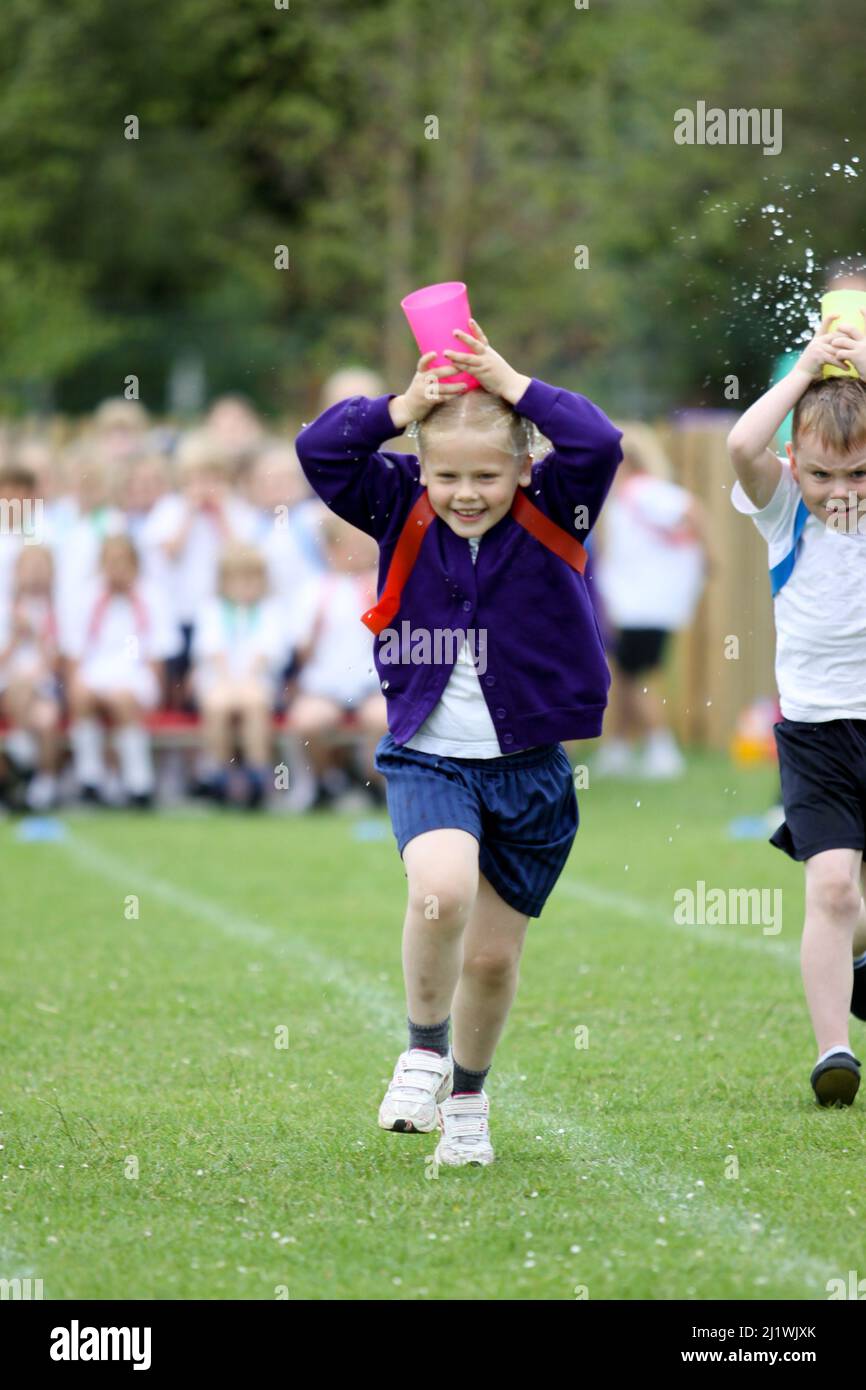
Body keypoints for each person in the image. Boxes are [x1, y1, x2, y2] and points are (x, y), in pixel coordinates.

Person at [295, 319, 622, 1165]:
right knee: (439, 892)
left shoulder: (558, 503)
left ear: (523, 466)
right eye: (447, 476)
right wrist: (403, 405)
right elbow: (320, 450)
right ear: (419, 467)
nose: (466, 493)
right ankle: (421, 1049)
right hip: (431, 756)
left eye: (487, 475)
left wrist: (513, 384)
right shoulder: (396, 501)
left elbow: (597, 438)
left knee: (489, 960)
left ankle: (469, 1103)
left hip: (531, 774)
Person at [727, 312, 866, 1108]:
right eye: (821, 476)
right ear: (796, 466)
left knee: (862, 911)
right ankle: (833, 1051)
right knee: (834, 892)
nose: (839, 494)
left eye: (857, 477)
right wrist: (810, 367)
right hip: (816, 734)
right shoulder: (783, 510)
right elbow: (742, 447)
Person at [593, 423, 709, 778]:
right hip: (640, 605)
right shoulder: (630, 495)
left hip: (640, 607)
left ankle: (662, 750)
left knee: (636, 676)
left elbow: (690, 510)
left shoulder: (641, 490)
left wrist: (710, 555)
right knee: (627, 677)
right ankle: (619, 749)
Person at [63, 534, 179, 806]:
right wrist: (75, 684)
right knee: (82, 695)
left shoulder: (152, 596)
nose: (117, 569)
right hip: (96, 670)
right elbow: (75, 651)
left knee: (122, 698)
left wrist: (155, 691)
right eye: (111, 562)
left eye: (123, 562)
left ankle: (138, 781)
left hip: (135, 673)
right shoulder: (87, 596)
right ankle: (89, 778)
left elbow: (158, 653)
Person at [286, 509, 387, 810]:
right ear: (329, 549)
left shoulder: (384, 584)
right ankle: (325, 782)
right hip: (326, 683)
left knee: (382, 719)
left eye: (362, 545)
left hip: (372, 681)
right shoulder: (314, 590)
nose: (356, 553)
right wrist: (313, 632)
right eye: (347, 546)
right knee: (307, 722)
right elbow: (300, 650)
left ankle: (373, 780)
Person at [190, 543, 290, 808]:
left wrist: (246, 680)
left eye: (251, 579)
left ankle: (258, 776)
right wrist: (229, 681)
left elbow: (268, 652)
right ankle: (221, 776)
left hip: (257, 681)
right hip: (218, 680)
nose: (245, 586)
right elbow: (212, 651)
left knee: (254, 703)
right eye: (237, 580)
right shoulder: (211, 609)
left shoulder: (271, 609)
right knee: (217, 705)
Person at [0, 545, 62, 811]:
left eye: (41, 568)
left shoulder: (57, 611)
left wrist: (36, 637)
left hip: (44, 689)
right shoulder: (5, 610)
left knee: (47, 719)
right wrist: (15, 638)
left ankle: (39, 783)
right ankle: (21, 766)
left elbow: (58, 663)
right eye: (29, 568)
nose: (35, 575)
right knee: (23, 687)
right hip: (7, 687)